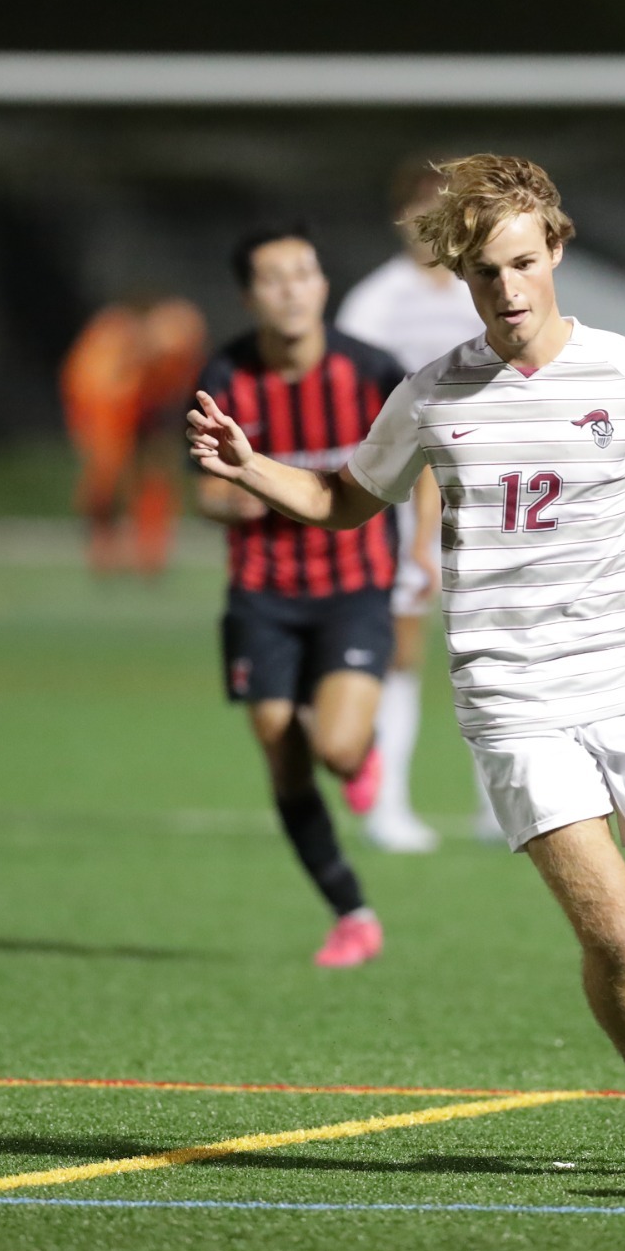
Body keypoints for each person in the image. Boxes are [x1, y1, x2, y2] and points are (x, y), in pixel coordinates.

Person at [190, 157, 625, 1094]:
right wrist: (249, 465)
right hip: (514, 699)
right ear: (461, 279)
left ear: (554, 249)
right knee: (614, 933)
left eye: (521, 262)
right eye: (483, 273)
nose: (507, 290)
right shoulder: (431, 393)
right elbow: (344, 498)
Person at [191, 223, 405, 968]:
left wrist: (434, 547)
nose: (291, 288)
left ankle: (359, 751)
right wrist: (233, 498)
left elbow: (428, 458)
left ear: (322, 285)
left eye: (304, 273)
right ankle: (352, 913)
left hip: (354, 585)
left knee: (336, 746)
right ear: (250, 296)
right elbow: (204, 490)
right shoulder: (225, 377)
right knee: (283, 756)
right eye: (273, 278)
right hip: (263, 594)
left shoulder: (372, 370)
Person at [335, 160, 490, 853]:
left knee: (491, 644)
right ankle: (387, 805)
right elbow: (351, 404)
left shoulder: (484, 289)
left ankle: (504, 805)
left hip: (488, 492)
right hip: (400, 494)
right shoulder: (375, 303)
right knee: (401, 648)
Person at [61, 297, 206, 575]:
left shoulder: (177, 352)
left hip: (146, 407)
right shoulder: (107, 353)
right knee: (106, 474)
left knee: (157, 472)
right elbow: (94, 396)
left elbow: (178, 390)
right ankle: (103, 544)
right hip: (105, 405)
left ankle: (150, 549)